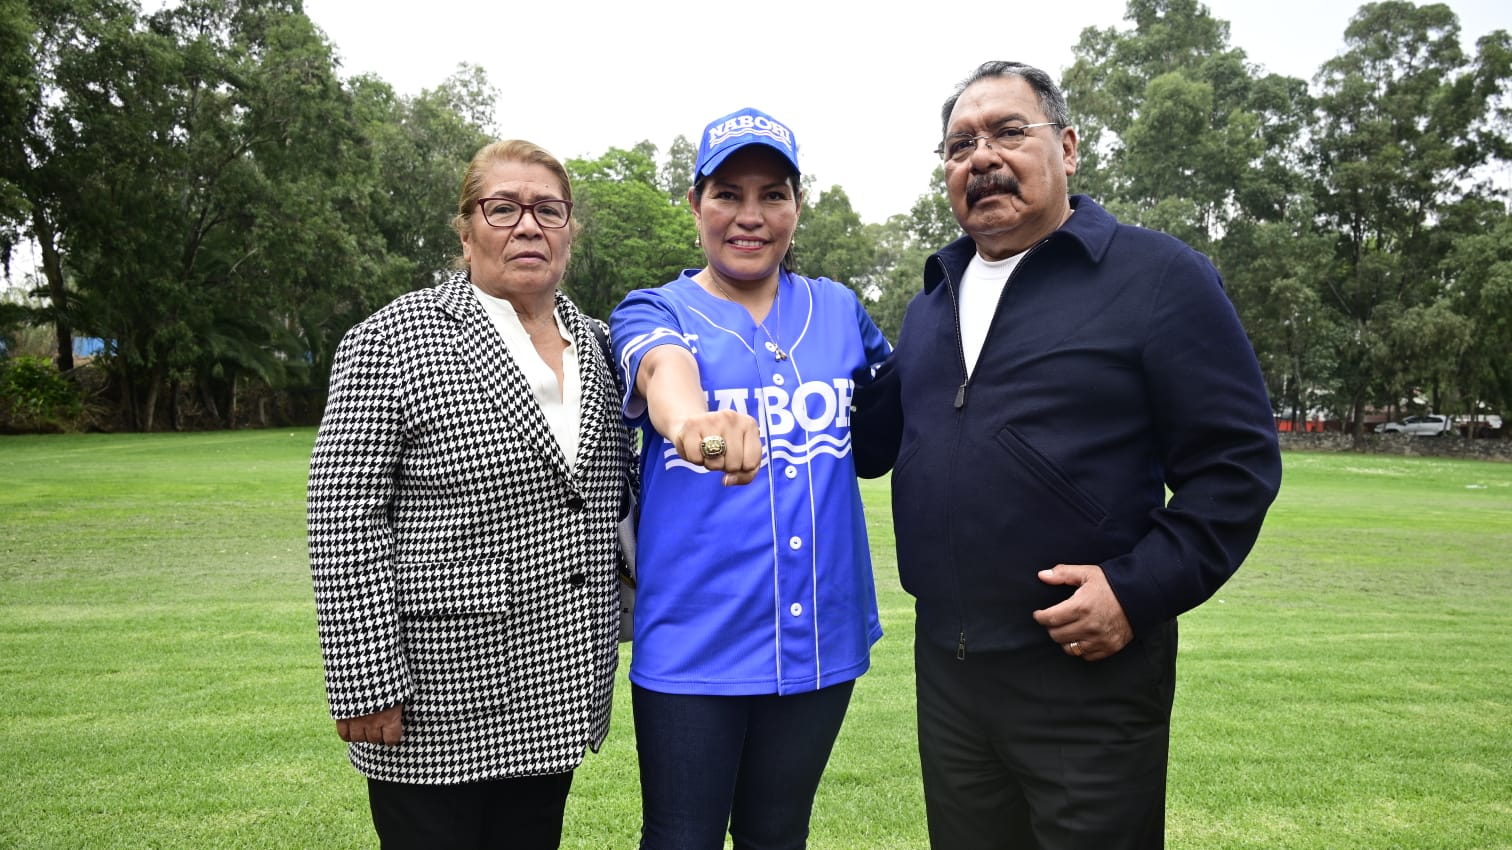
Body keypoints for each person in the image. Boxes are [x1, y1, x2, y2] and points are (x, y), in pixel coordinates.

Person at [850, 61, 1283, 850]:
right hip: (950, 670)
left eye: (1009, 131)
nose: (981, 157)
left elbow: (1238, 465)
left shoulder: (1157, 278)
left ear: (1070, 147)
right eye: (958, 145)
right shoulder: (930, 302)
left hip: (1086, 671)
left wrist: (1136, 589)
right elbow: (867, 442)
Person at [307, 139, 634, 850]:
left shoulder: (605, 346)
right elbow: (343, 518)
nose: (528, 225)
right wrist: (365, 681)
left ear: (570, 230)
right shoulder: (391, 340)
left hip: (558, 683)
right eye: (503, 208)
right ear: (465, 228)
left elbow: (617, 497)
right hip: (437, 697)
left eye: (549, 209)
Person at [609, 106, 893, 850]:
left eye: (773, 194)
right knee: (681, 838)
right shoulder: (656, 307)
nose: (751, 215)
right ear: (697, 204)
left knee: (779, 834)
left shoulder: (839, 309)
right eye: (728, 193)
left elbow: (899, 400)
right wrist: (692, 423)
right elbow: (660, 368)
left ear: (798, 206)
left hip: (822, 637)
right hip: (694, 643)